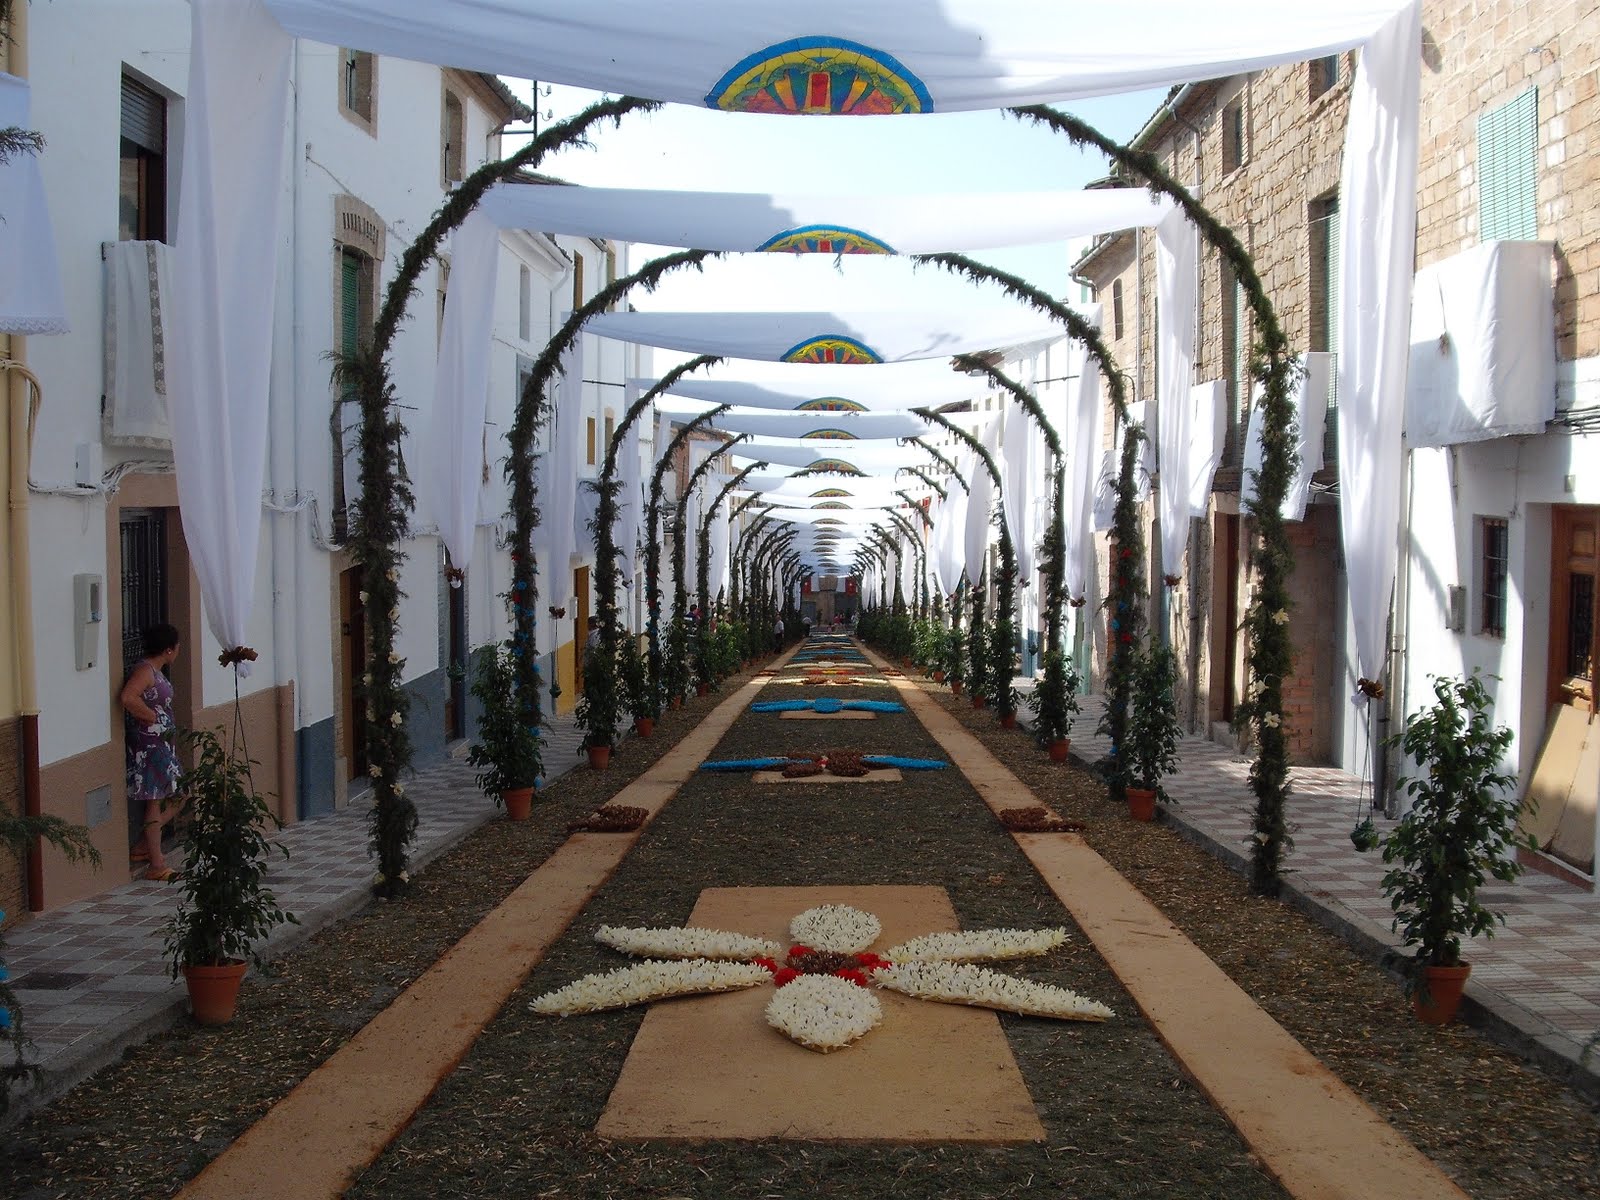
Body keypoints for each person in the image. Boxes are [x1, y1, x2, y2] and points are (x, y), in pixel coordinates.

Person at [120, 623, 183, 881]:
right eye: (177, 647)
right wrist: (150, 717)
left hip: (161, 743)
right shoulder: (145, 671)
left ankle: (145, 846)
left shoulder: (155, 670)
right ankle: (156, 864)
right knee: (157, 798)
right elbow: (128, 697)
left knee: (180, 794)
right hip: (150, 745)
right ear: (169, 649)